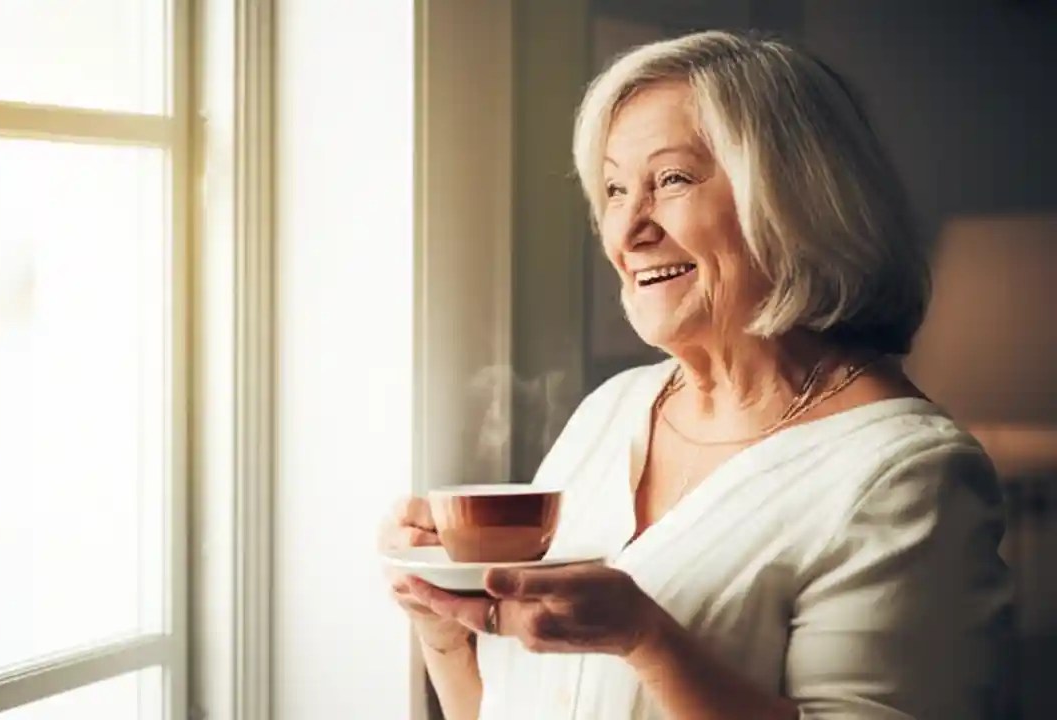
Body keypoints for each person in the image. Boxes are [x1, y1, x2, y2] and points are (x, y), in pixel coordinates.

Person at [379, 30, 1011, 719]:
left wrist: (647, 640)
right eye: (615, 190)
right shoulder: (612, 412)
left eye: (672, 179)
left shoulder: (907, 474)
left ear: (794, 197)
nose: (629, 230)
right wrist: (443, 629)